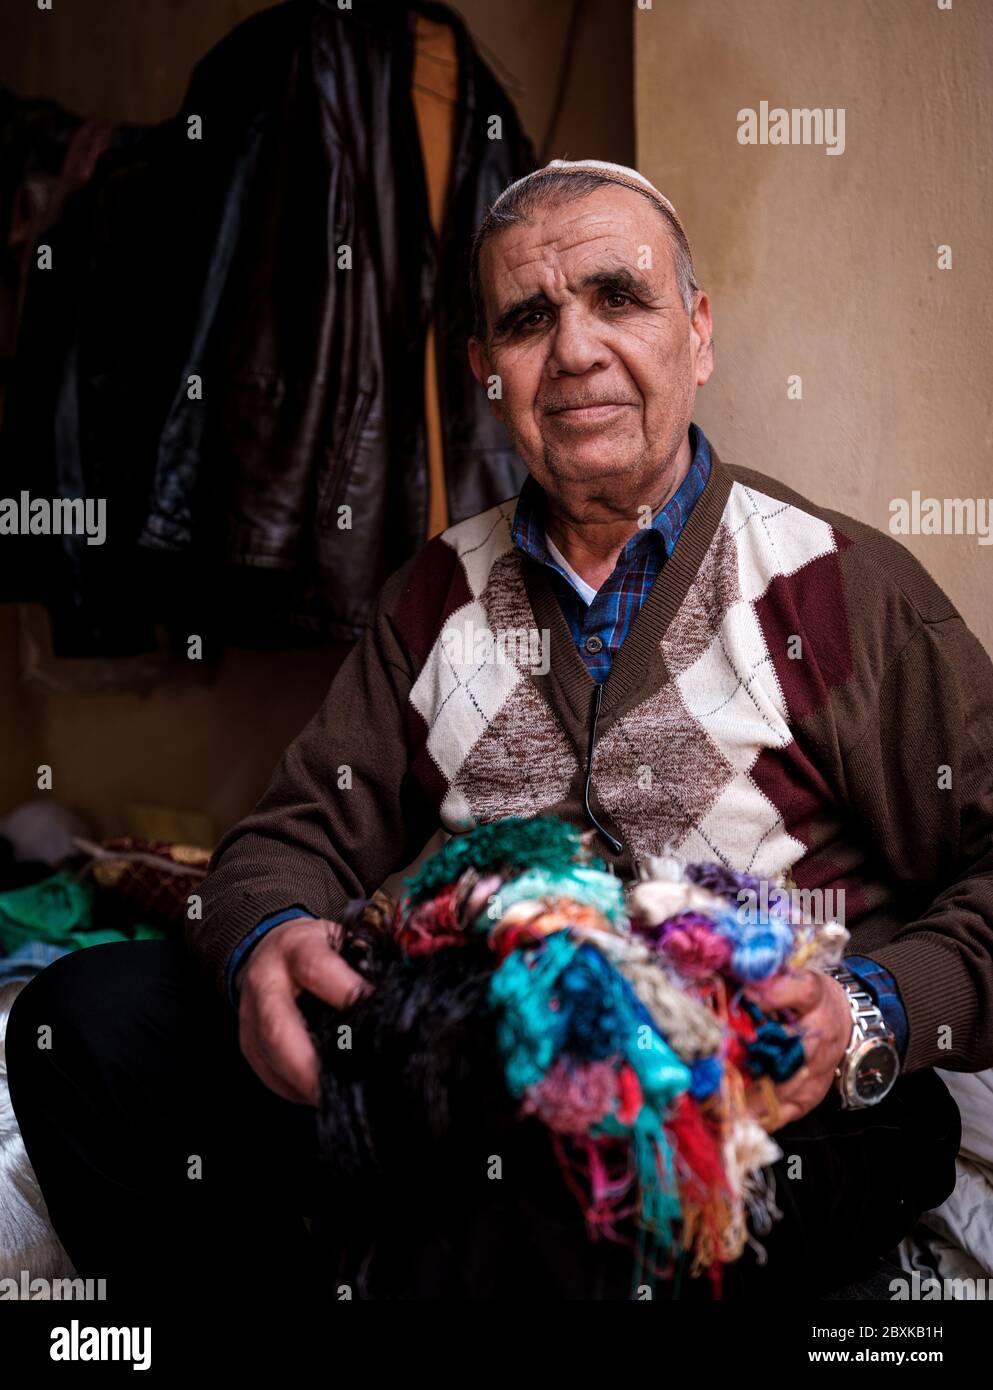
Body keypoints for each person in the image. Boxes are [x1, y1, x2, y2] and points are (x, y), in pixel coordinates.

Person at [9, 159, 989, 1299]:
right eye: (529, 320)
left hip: (755, 1095)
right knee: (84, 1022)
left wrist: (870, 1006)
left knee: (567, 1190)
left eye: (619, 297)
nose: (575, 350)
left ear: (698, 333)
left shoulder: (837, 587)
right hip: (497, 1068)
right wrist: (266, 937)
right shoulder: (435, 596)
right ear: (487, 373)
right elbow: (291, 837)